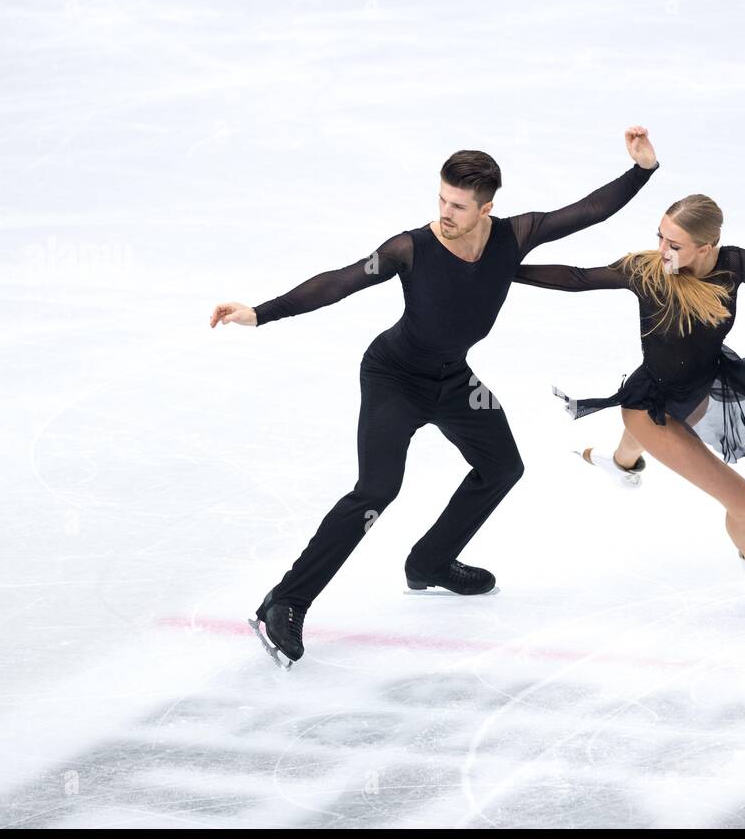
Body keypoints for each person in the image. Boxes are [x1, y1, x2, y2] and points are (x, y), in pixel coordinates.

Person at [209, 128, 660, 667]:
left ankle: (431, 561)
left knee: (502, 467)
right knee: (377, 490)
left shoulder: (515, 236)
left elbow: (589, 211)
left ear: (486, 207)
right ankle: (284, 601)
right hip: (394, 377)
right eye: (442, 199)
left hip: (453, 381)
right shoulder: (411, 248)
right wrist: (260, 312)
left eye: (458, 206)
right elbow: (341, 281)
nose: (445, 213)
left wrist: (642, 171)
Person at [513, 193, 745, 606]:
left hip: (701, 391)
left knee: (642, 448)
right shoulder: (647, 273)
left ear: (706, 248)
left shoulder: (734, 265)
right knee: (743, 501)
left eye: (674, 245)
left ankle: (619, 463)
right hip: (650, 407)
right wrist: (502, 271)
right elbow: (577, 278)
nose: (662, 251)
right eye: (660, 238)